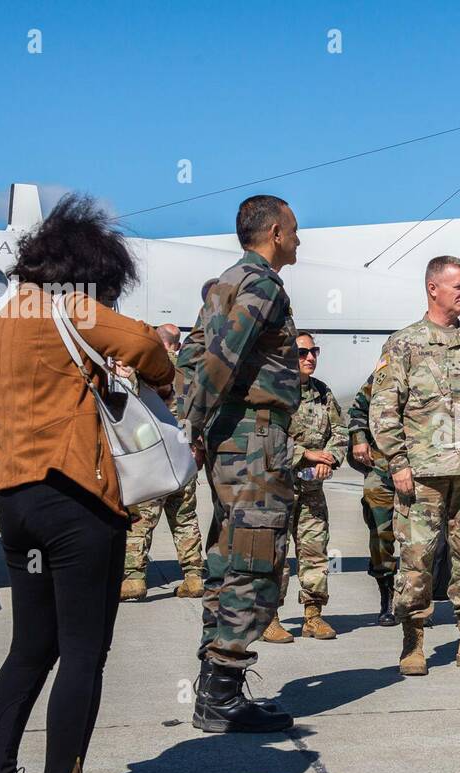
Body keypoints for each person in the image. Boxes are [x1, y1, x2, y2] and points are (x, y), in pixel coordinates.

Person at [0, 193, 172, 773]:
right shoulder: (71, 309)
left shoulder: (6, 316)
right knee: (84, 653)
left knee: (30, 648)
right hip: (75, 501)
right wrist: (152, 346)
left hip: (14, 500)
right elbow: (148, 348)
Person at [174, 195, 301, 733]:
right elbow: (223, 356)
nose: (298, 239)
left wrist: (190, 420)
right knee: (255, 555)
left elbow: (190, 355)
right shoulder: (262, 284)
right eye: (294, 229)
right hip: (255, 436)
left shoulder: (223, 282)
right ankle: (221, 694)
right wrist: (191, 425)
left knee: (227, 554)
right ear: (275, 233)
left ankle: (215, 688)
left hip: (231, 436)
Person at [370, 255, 460, 676]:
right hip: (422, 473)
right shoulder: (404, 344)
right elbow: (383, 409)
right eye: (459, 286)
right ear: (433, 288)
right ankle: (413, 642)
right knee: (416, 557)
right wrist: (397, 462)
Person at [262, 331, 347, 642]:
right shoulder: (272, 393)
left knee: (315, 552)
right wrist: (306, 455)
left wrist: (329, 459)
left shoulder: (322, 393)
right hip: (278, 488)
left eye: (314, 351)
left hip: (312, 490)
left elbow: (340, 432)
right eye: (302, 352)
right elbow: (265, 437)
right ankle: (269, 618)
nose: (310, 357)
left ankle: (313, 616)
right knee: (276, 554)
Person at [118, 324, 205, 602]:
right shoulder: (192, 373)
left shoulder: (145, 368)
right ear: (177, 344)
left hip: (153, 457)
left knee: (141, 519)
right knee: (185, 518)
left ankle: (133, 579)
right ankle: (194, 577)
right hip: (184, 456)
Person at [347, 366, 399, 626]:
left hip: (423, 468)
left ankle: (416, 600)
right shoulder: (383, 374)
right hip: (382, 467)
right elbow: (358, 409)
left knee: (422, 538)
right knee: (380, 534)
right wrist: (359, 439)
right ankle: (386, 598)